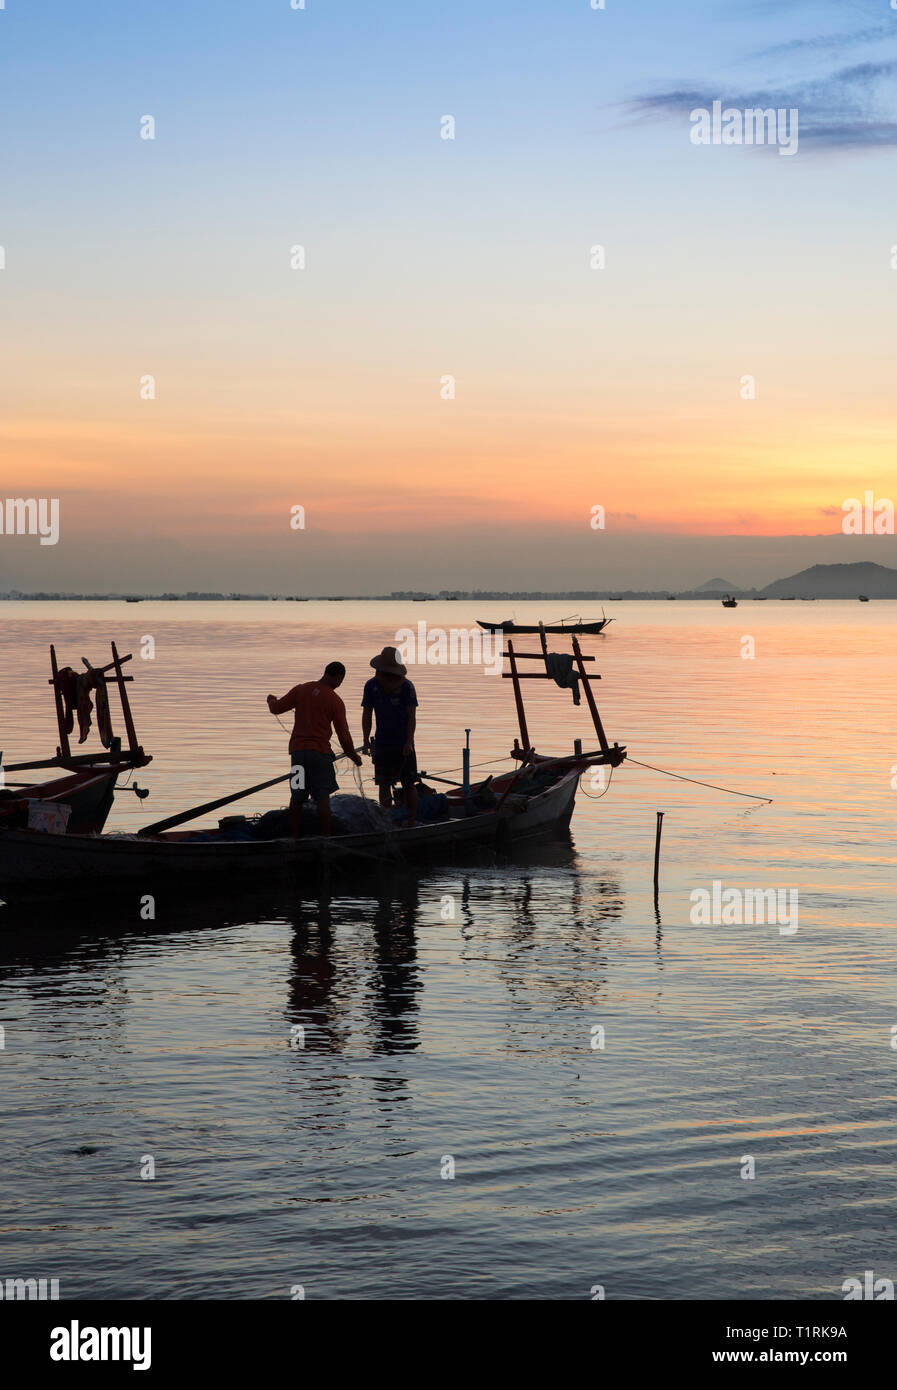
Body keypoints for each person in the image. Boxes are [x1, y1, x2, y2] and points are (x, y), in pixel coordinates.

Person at [267, 662, 361, 837]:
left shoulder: (301, 690)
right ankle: (326, 838)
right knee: (322, 797)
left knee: (297, 797)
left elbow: (276, 708)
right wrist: (355, 757)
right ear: (338, 677)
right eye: (341, 681)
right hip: (319, 755)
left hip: (297, 754)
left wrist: (271, 699)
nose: (340, 684)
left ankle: (295, 837)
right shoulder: (335, 700)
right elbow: (344, 736)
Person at [361, 647, 418, 828]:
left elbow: (411, 717)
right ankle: (386, 822)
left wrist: (408, 742)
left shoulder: (407, 687)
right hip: (383, 742)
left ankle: (411, 821)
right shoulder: (372, 686)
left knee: (409, 783)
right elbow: (367, 714)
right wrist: (365, 740)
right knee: (384, 784)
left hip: (403, 743)